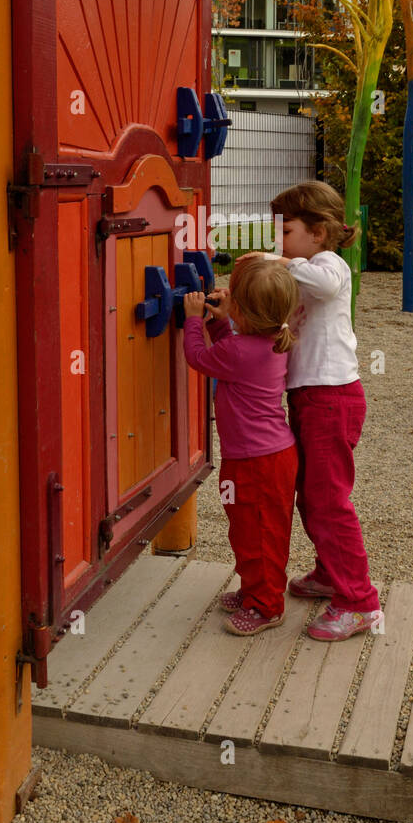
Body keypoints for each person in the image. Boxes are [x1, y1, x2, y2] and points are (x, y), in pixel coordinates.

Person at [261, 181, 381, 642]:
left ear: (319, 232)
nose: (279, 241)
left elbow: (327, 285)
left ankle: (359, 603)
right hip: (312, 399)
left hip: (332, 399)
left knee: (330, 502)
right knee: (312, 498)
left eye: (286, 230)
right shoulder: (304, 268)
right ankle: (333, 573)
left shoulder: (328, 265)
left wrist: (281, 262)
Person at [182, 257, 299, 636]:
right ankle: (254, 589)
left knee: (259, 533)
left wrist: (194, 319)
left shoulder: (240, 352)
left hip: (256, 462)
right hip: (264, 457)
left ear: (245, 313)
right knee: (250, 529)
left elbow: (198, 357)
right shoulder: (267, 340)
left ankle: (267, 606)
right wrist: (219, 320)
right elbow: (231, 346)